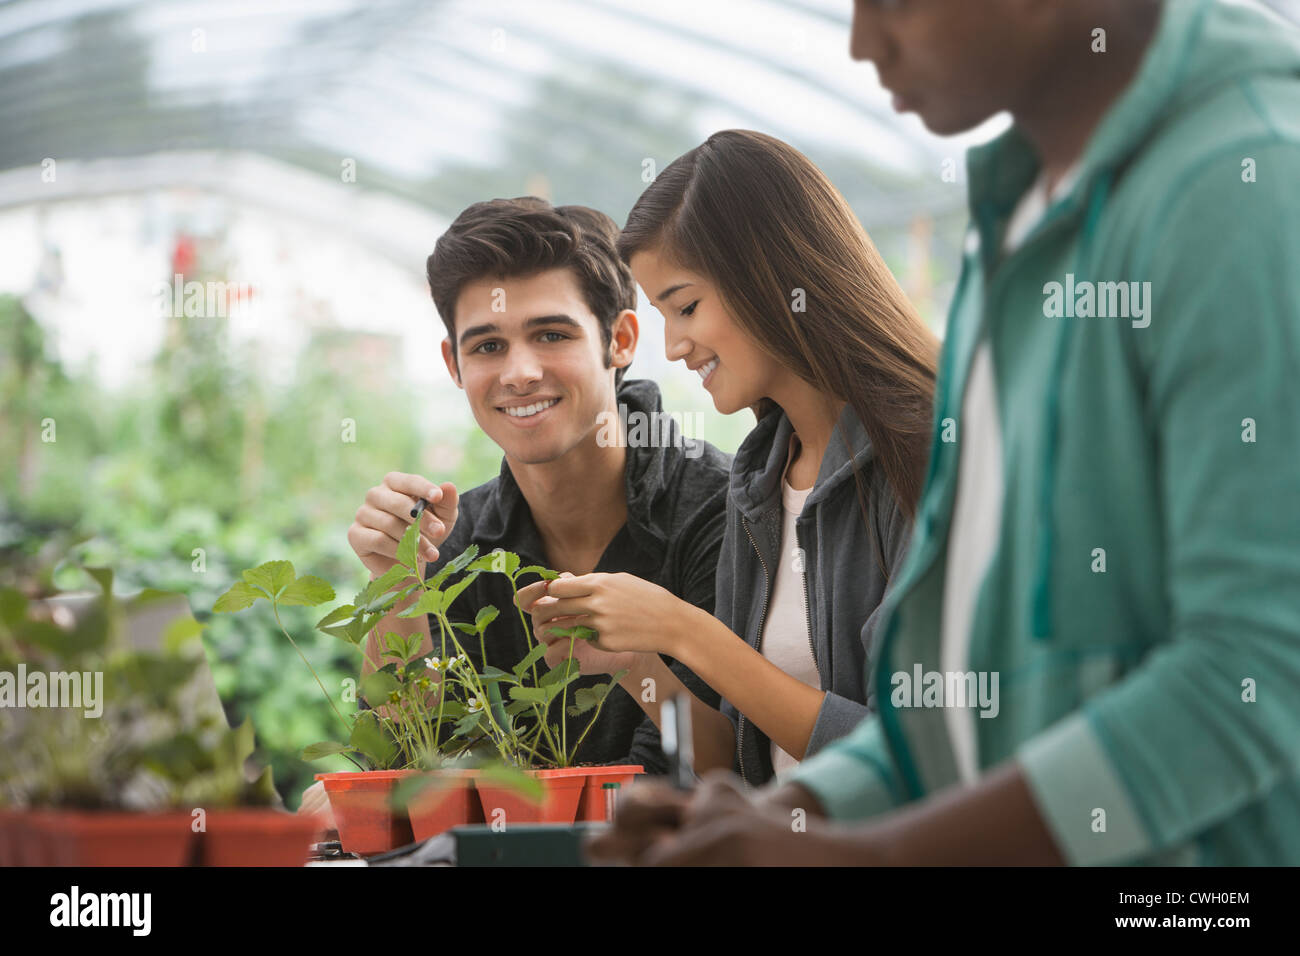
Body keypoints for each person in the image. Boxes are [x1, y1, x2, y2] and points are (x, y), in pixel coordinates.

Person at [588, 0, 1300, 866]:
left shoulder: (1241, 183)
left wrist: (877, 853)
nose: (860, 43)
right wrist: (794, 813)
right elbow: (965, 706)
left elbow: (1253, 679)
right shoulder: (1021, 230)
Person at [519, 129, 938, 787]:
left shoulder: (928, 454)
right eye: (661, 313)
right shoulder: (759, 484)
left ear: (771, 277)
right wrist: (641, 665)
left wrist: (689, 633)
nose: (675, 344)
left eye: (685, 306)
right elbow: (731, 763)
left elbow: (919, 759)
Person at [299, 198, 732, 819]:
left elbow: (720, 767)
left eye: (551, 335)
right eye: (487, 346)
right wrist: (396, 587)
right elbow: (405, 764)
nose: (520, 373)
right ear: (454, 364)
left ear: (621, 339)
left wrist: (637, 666)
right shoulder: (453, 540)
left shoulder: (720, 511)